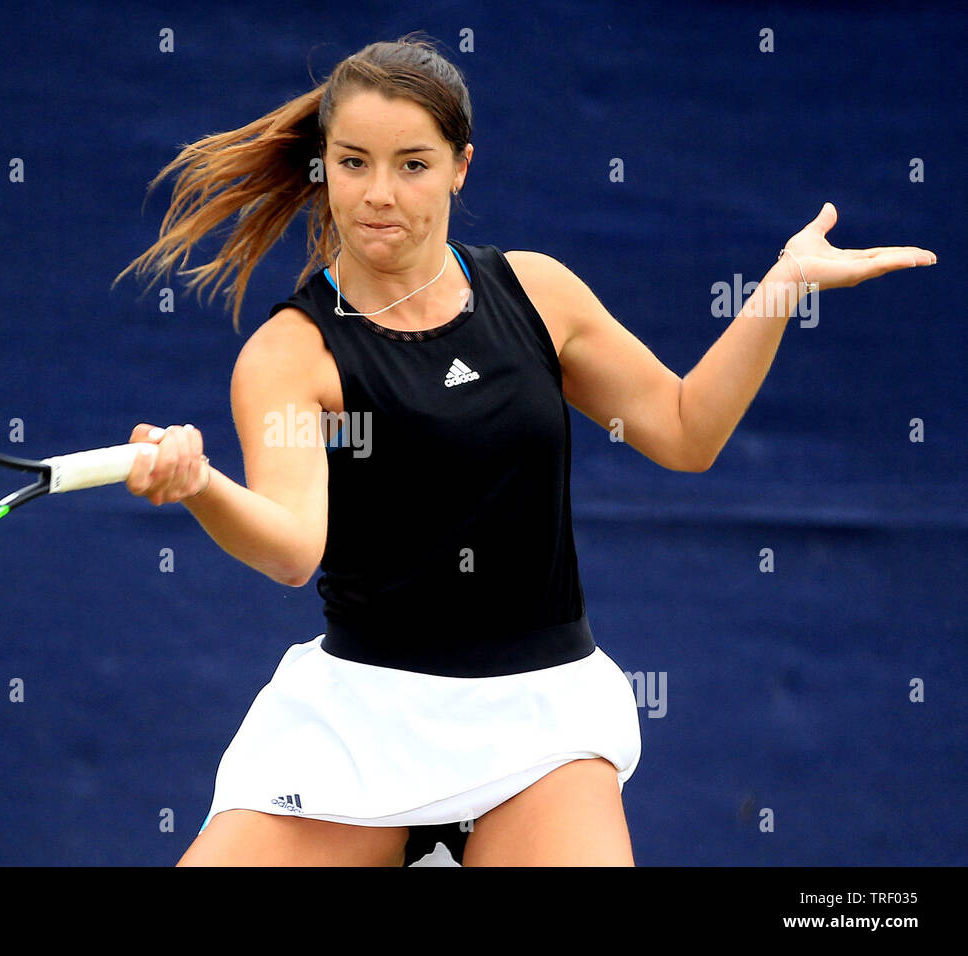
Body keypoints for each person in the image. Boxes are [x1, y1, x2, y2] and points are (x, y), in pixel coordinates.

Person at [111, 34, 936, 867]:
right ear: (324, 167)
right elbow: (293, 550)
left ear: (461, 166)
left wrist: (783, 285)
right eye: (354, 163)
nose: (379, 194)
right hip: (360, 725)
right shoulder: (291, 354)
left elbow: (687, 432)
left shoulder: (538, 293)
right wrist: (202, 485)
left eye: (413, 165)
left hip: (541, 725)